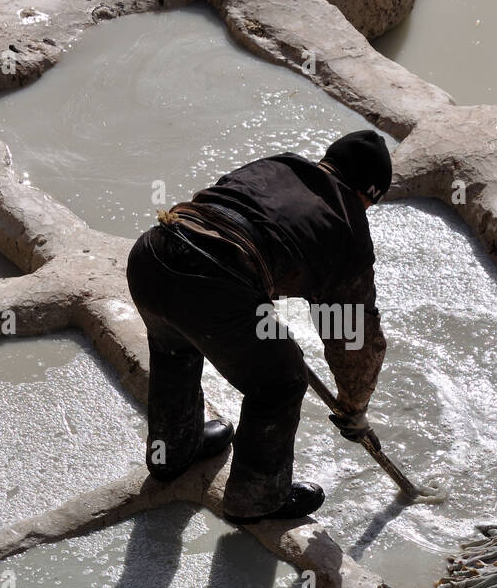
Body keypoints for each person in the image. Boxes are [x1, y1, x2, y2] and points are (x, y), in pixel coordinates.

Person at [125, 130, 391, 523]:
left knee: (175, 348)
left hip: (153, 255)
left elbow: (234, 220)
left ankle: (174, 452)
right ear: (369, 195)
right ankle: (257, 498)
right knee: (281, 382)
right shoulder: (348, 227)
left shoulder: (279, 166)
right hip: (213, 279)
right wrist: (354, 405)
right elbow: (352, 335)